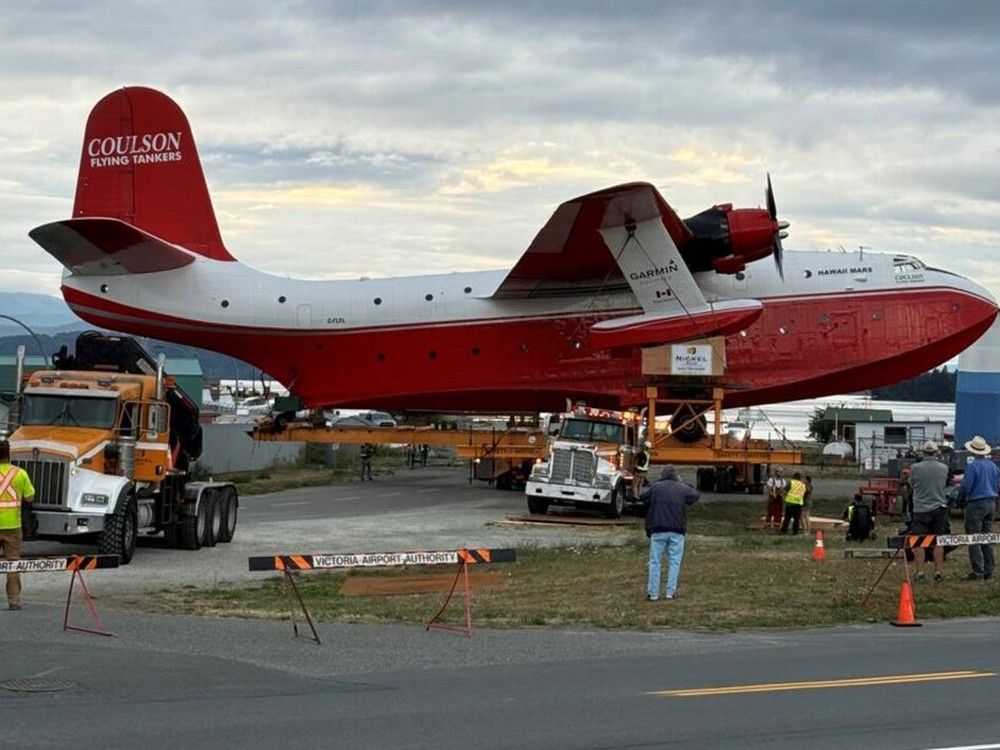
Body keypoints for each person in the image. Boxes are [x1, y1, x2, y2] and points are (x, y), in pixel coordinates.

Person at [641, 465, 699, 600]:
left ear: (662, 475)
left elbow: (643, 496)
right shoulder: (681, 488)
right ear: (676, 475)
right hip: (677, 529)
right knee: (674, 561)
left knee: (655, 561)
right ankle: (670, 592)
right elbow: (695, 496)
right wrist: (685, 484)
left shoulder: (656, 487)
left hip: (658, 527)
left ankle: (653, 593)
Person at [0, 440, 36, 610]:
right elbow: (30, 497)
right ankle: (14, 601)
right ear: (9, 454)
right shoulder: (20, 474)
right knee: (13, 563)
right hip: (13, 526)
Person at [960, 435, 1000, 581]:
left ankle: (978, 570)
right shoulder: (993, 466)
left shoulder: (973, 466)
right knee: (986, 535)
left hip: (977, 503)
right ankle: (989, 568)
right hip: (991, 502)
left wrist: (961, 498)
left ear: (973, 451)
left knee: (973, 536)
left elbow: (966, 487)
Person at [909, 440, 949, 582]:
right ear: (936, 452)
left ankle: (920, 572)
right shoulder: (944, 468)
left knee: (918, 541)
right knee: (938, 540)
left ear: (923, 452)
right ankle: (938, 572)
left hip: (921, 509)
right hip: (939, 508)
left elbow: (911, 484)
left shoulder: (915, 468)